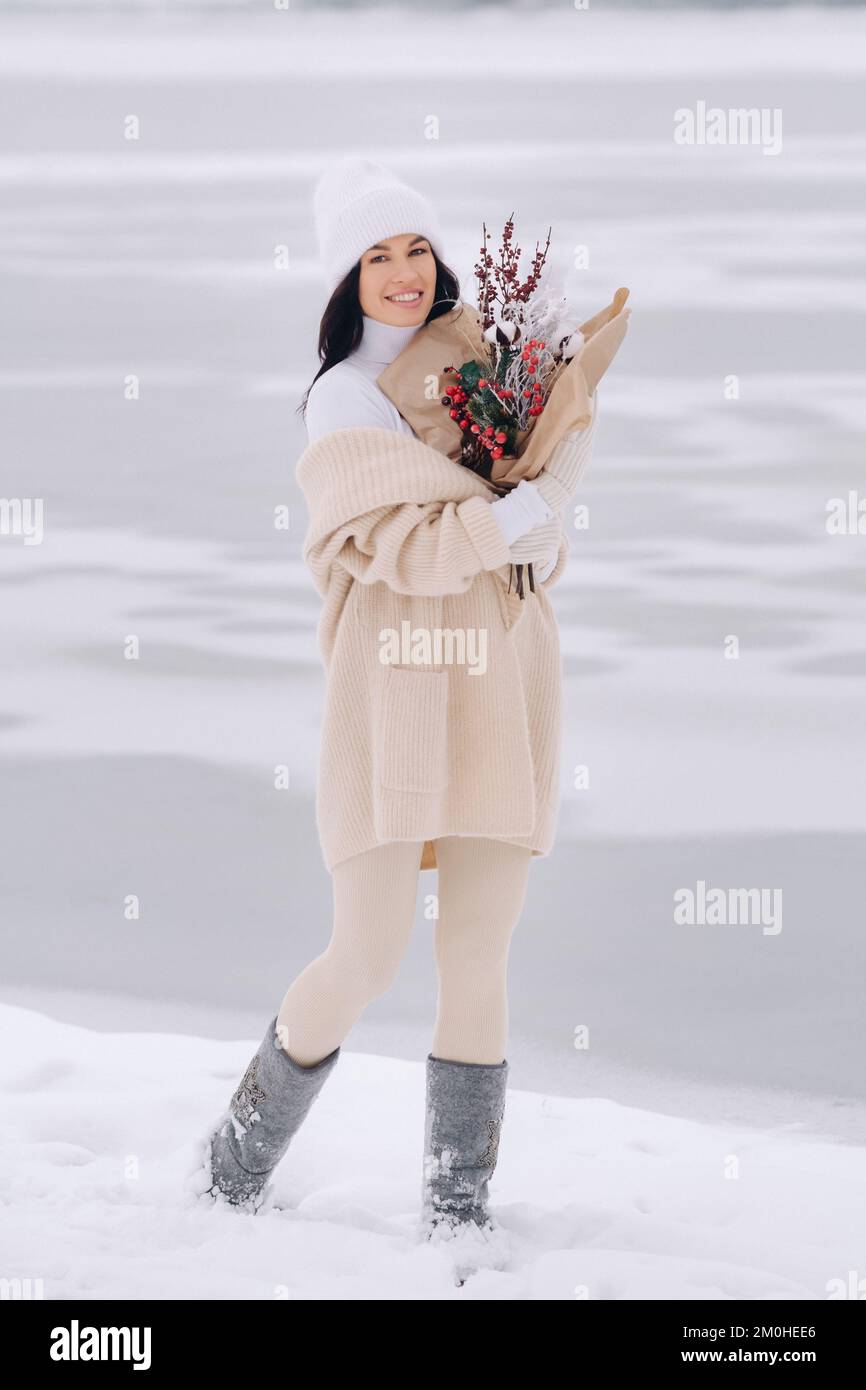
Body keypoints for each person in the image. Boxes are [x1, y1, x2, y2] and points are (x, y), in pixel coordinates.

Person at [202, 159, 596, 1251]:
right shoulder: (338, 401)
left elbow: (529, 516)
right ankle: (230, 1164)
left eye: (414, 250)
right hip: (392, 691)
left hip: (498, 673)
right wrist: (499, 521)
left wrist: (543, 523)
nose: (402, 273)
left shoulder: (488, 365)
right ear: (344, 281)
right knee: (367, 950)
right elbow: (379, 544)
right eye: (376, 257)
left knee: (478, 948)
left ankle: (455, 1214)